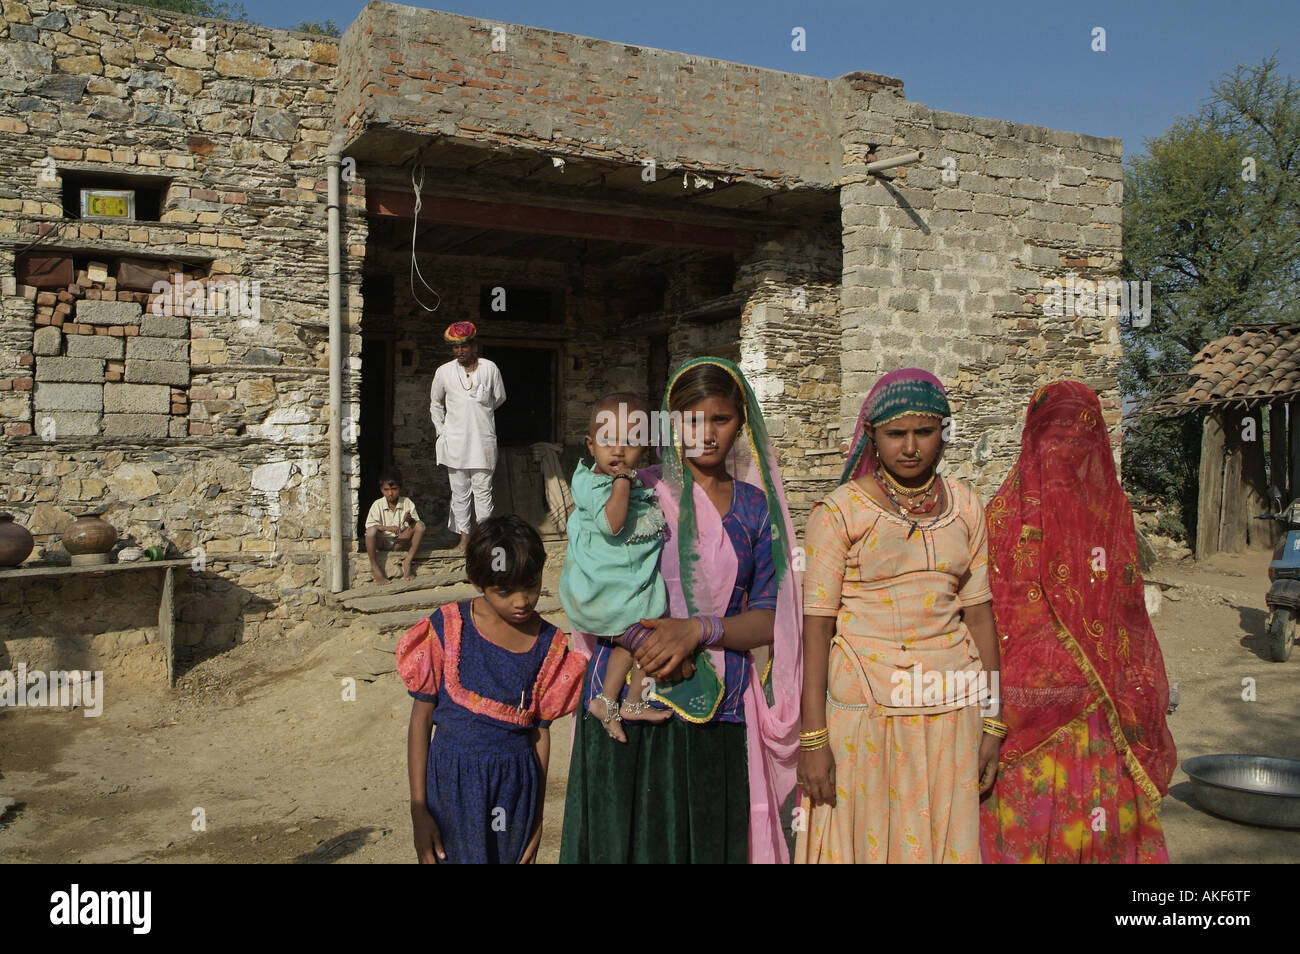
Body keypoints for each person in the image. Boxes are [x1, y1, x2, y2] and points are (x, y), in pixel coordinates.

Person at [560, 357, 803, 864]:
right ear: (670, 425)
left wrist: (699, 629)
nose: (707, 435)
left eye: (721, 419)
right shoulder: (635, 491)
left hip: (718, 706)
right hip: (630, 701)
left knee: (709, 839)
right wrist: (642, 639)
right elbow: (591, 582)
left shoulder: (757, 510)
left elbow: (768, 618)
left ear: (742, 422)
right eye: (692, 420)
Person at [795, 368, 1002, 864]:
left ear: (942, 434)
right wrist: (814, 738)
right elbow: (817, 629)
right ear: (872, 436)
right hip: (868, 710)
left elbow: (980, 617)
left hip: (951, 710)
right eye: (895, 434)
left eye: (924, 432)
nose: (910, 447)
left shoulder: (967, 507)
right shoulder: (839, 513)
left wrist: (993, 723)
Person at [980, 381, 1176, 864]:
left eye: (1078, 438)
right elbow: (986, 619)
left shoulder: (1113, 515)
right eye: (1053, 437)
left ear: (1097, 443)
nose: (1064, 450)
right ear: (1031, 439)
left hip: (1099, 717)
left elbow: (1125, 618)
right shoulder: (999, 519)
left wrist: (1135, 694)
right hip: (1019, 721)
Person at [395, 515, 587, 863]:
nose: (522, 601)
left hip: (514, 794)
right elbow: (421, 720)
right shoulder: (447, 630)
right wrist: (419, 810)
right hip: (450, 795)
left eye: (530, 585)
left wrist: (536, 817)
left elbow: (540, 735)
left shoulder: (550, 645)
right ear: (477, 581)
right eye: (505, 591)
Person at [558, 392, 672, 742]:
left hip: (620, 594)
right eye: (608, 441)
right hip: (599, 594)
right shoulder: (592, 483)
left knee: (634, 638)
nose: (618, 451)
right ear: (591, 446)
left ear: (647, 448)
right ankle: (632, 702)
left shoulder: (637, 479)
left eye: (630, 442)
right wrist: (622, 483)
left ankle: (608, 703)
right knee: (650, 642)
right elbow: (612, 524)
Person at [429, 321, 506, 549]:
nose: (459, 351)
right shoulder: (444, 372)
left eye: (463, 346)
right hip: (455, 442)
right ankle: (464, 537)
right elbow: (435, 404)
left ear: (473, 345)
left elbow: (499, 398)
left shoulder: (489, 368)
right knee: (460, 491)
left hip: (482, 441)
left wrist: (479, 416)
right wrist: (441, 432)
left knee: (483, 492)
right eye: (455, 348)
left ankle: (484, 538)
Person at [364, 470, 425, 583]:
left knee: (420, 526)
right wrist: (387, 528)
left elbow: (415, 524)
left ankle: (408, 561)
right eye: (386, 490)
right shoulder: (377, 504)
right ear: (381, 490)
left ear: (400, 488)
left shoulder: (407, 502)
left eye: (394, 489)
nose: (390, 493)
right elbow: (370, 527)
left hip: (398, 542)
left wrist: (410, 520)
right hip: (381, 542)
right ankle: (374, 566)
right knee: (371, 532)